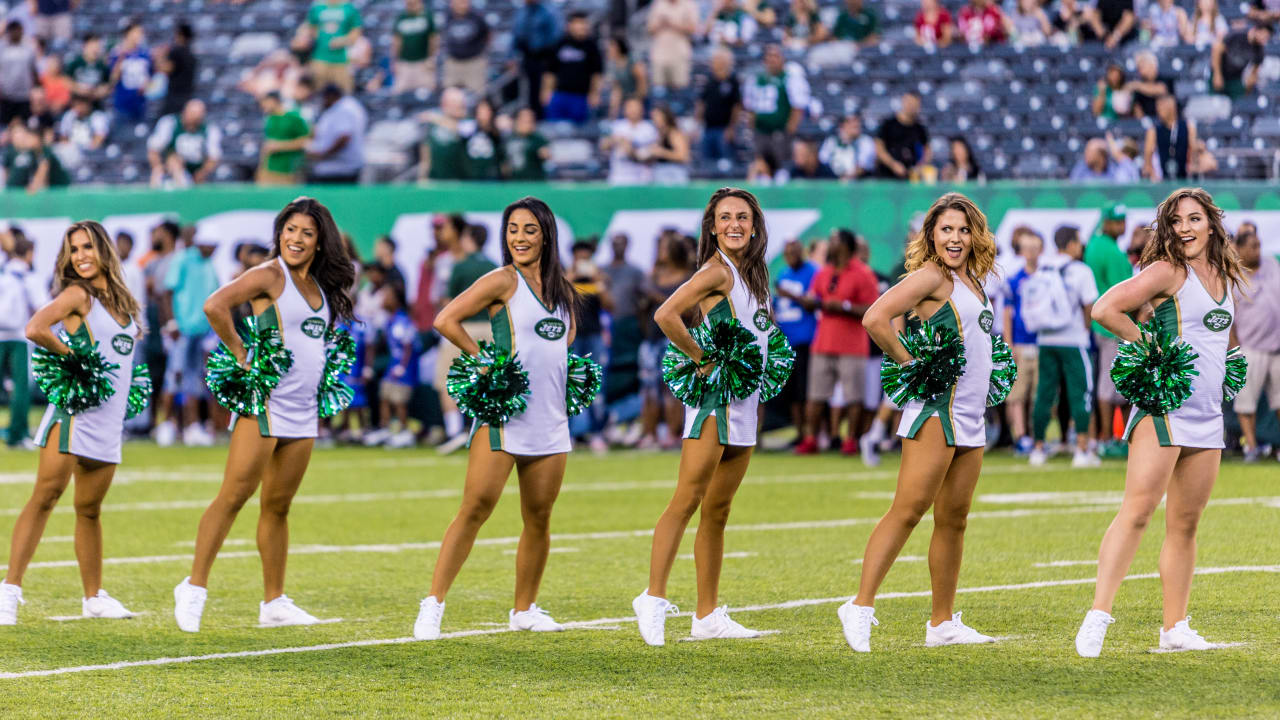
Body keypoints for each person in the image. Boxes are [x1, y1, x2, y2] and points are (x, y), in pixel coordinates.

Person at [173, 197, 357, 633]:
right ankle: (193, 587)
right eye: (290, 230)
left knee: (278, 506)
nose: (296, 239)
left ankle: (273, 601)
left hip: (304, 408)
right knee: (235, 494)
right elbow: (215, 305)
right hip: (266, 403)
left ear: (319, 243)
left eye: (307, 234)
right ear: (279, 234)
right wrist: (240, 353)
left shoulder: (321, 288)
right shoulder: (269, 274)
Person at [1075, 188, 1245, 657]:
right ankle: (1098, 616)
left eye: (1194, 219)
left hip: (1208, 417)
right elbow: (1105, 308)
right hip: (1164, 410)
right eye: (1176, 221)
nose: (1185, 228)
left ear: (1211, 224)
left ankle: (1175, 627)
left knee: (1185, 525)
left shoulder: (1225, 274)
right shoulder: (1169, 270)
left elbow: (1218, 339)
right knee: (1138, 511)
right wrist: (1147, 343)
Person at [412, 197, 580, 640]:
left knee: (539, 518)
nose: (519, 238)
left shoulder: (562, 288)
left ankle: (524, 609)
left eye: (529, 229)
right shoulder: (502, 280)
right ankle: (433, 605)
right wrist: (481, 359)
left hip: (551, 420)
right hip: (504, 414)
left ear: (546, 234)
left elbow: (564, 343)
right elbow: (446, 319)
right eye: (513, 229)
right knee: (475, 508)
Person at [837, 193, 999, 652]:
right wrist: (910, 363)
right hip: (936, 412)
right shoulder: (931, 276)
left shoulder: (972, 279)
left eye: (963, 230)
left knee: (954, 519)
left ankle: (942, 622)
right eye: (946, 229)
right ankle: (860, 605)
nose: (956, 238)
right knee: (908, 511)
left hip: (969, 414)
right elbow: (876, 318)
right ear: (931, 234)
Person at [632, 188, 775, 645]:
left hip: (744, 405)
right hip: (715, 400)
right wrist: (701, 358)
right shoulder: (715, 270)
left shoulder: (752, 275)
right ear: (712, 226)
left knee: (718, 510)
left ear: (754, 226)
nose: (734, 224)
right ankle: (652, 599)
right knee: (688, 498)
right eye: (725, 217)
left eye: (743, 217)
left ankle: (707, 614)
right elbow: (666, 314)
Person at [0, 221, 144, 626]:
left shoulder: (123, 303)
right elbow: (35, 328)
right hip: (73, 417)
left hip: (108, 421)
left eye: (87, 247)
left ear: (104, 251)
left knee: (90, 510)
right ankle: (8, 591)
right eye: (73, 249)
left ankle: (94, 596)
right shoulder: (78, 294)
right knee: (45, 498)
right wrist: (73, 357)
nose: (80, 256)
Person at [795, 229, 876, 455]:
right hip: (823, 342)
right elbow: (813, 296)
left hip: (852, 345)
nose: (830, 244)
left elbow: (872, 309)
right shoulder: (824, 272)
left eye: (834, 240)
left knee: (853, 397)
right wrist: (809, 302)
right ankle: (811, 439)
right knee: (816, 395)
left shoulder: (863, 273)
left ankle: (851, 440)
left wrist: (844, 307)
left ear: (846, 246)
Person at [1028, 225, 1100, 467]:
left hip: (1045, 339)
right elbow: (1090, 305)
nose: (1080, 247)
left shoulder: (1044, 267)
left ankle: (1037, 448)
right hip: (1073, 340)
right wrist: (1086, 328)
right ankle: (1081, 449)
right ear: (1070, 244)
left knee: (1044, 394)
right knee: (1081, 391)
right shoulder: (1080, 270)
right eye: (1078, 242)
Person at [154, 234, 220, 448]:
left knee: (194, 379)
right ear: (203, 243)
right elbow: (166, 292)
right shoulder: (183, 259)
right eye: (211, 246)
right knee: (175, 375)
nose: (213, 251)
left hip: (201, 332)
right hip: (180, 330)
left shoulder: (210, 265)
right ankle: (166, 425)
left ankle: (191, 427)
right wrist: (171, 323)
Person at [636, 232, 696, 450]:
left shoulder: (690, 277)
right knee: (649, 390)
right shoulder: (654, 275)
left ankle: (673, 433)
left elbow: (691, 312)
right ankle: (649, 434)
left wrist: (660, 301)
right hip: (651, 341)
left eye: (665, 247)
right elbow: (642, 307)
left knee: (673, 389)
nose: (660, 251)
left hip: (675, 341)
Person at [1084, 204, 1134, 458]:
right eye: (1116, 222)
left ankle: (1113, 437)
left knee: (1113, 381)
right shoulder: (1110, 251)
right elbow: (1123, 292)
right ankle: (1107, 437)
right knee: (1110, 383)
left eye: (1123, 221)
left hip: (1102, 324)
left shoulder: (1095, 245)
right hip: (1112, 325)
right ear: (1106, 222)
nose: (1121, 227)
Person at [1231, 228, 1280, 462]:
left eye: (1259, 245)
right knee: (1246, 402)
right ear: (1239, 249)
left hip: (1277, 348)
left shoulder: (1271, 264)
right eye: (1252, 246)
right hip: (1250, 348)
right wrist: (1235, 351)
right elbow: (1228, 320)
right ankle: (1251, 447)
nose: (1257, 251)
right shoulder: (1233, 277)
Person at [1002, 227, 1042, 456]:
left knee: (1038, 395)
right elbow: (1007, 314)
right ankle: (1021, 437)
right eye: (1027, 248)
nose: (1031, 252)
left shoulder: (1047, 277)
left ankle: (1036, 436)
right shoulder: (1014, 280)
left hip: (1041, 342)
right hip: (1021, 342)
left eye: (1035, 248)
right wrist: (1009, 343)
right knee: (1017, 394)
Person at [0, 235, 43, 449]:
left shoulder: (3, 273)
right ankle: (18, 434)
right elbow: (41, 307)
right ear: (29, 253)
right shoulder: (27, 277)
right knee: (21, 387)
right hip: (19, 337)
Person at [773, 239, 818, 442]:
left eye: (795, 251)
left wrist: (789, 295)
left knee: (806, 392)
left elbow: (813, 304)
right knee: (791, 393)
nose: (791, 256)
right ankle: (800, 434)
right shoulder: (783, 274)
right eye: (787, 252)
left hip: (805, 341)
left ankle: (811, 434)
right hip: (786, 342)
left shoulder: (813, 272)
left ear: (802, 252)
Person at [567, 237, 610, 452]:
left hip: (593, 336)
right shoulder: (566, 279)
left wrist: (598, 282)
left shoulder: (597, 279)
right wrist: (570, 278)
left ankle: (597, 433)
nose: (583, 260)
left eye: (587, 257)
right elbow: (558, 303)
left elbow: (611, 307)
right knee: (572, 385)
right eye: (579, 256)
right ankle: (572, 434)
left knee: (596, 387)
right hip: (572, 337)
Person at [743, 44, 808, 170]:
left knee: (781, 166)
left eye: (775, 56)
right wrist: (752, 127)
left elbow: (797, 108)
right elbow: (749, 108)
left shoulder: (789, 78)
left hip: (780, 132)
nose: (772, 59)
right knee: (760, 165)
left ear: (782, 59)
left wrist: (788, 131)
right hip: (760, 131)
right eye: (769, 56)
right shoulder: (756, 79)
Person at [541, 12, 603, 126]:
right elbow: (550, 72)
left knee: (579, 131)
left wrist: (594, 93)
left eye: (584, 23)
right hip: (560, 94)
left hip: (581, 96)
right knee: (555, 128)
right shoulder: (559, 44)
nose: (581, 26)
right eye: (578, 23)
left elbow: (596, 73)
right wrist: (546, 92)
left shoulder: (591, 46)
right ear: (569, 25)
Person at [147, 99, 222, 188]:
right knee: (172, 161)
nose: (195, 117)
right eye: (192, 113)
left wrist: (202, 173)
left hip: (198, 170)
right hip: (171, 168)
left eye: (198, 114)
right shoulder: (170, 123)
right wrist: (158, 166)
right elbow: (153, 149)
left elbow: (214, 157)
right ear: (185, 111)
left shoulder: (210, 129)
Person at [306, 84, 367, 184]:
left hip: (339, 169)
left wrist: (323, 154)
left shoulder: (343, 108)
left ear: (331, 96)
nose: (323, 102)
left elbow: (344, 137)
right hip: (339, 167)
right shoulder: (348, 105)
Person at [512, 0, 560, 117]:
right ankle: (532, 116)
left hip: (545, 57)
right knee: (530, 91)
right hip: (528, 57)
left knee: (545, 90)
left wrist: (548, 53)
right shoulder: (522, 12)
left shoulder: (548, 11)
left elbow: (555, 35)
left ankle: (544, 116)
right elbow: (516, 36)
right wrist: (512, 55)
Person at [301, 0, 362, 94]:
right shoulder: (318, 7)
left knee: (344, 93)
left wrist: (343, 40)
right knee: (318, 92)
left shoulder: (349, 8)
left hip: (341, 59)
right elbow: (309, 27)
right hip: (320, 57)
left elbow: (356, 32)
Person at [696, 47, 741, 164]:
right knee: (706, 163)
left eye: (718, 60)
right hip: (707, 128)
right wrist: (698, 124)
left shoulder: (732, 81)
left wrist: (731, 128)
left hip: (723, 129)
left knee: (725, 164)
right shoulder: (709, 80)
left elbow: (737, 106)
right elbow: (701, 103)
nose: (714, 63)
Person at [602, 95, 658, 185]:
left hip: (642, 178)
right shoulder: (617, 126)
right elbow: (603, 146)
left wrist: (631, 149)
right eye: (630, 107)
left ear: (642, 109)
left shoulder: (649, 128)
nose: (633, 110)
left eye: (636, 107)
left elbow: (653, 154)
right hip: (619, 178)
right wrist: (614, 140)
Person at [258, 91, 311, 185]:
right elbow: (268, 145)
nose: (263, 105)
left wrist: (280, 146)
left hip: (289, 169)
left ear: (273, 101)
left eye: (265, 102)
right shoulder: (270, 118)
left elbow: (305, 141)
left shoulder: (293, 117)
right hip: (269, 170)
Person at [875, 92, 931, 180]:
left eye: (914, 104)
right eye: (909, 103)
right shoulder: (889, 124)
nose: (911, 106)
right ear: (903, 102)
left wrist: (921, 166)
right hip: (887, 175)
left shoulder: (919, 128)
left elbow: (927, 150)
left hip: (909, 176)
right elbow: (879, 148)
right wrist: (893, 164)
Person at [417, 86, 468, 181]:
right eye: (449, 101)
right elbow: (426, 151)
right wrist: (423, 177)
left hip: (459, 180)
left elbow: (461, 130)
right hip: (435, 179)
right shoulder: (432, 125)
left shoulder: (468, 121)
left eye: (455, 102)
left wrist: (434, 118)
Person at [441, 0, 490, 96]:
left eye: (463, 2)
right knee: (449, 93)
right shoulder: (448, 17)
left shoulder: (477, 17)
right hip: (453, 62)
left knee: (477, 95)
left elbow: (487, 35)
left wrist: (480, 51)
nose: (461, 5)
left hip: (473, 62)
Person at [4, 121, 70, 192]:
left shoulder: (45, 150)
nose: (26, 141)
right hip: (52, 189)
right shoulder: (31, 154)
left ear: (37, 139)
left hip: (63, 187)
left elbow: (43, 169)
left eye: (29, 137)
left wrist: (33, 187)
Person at [108, 21, 152, 124]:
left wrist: (146, 85)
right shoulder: (117, 53)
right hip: (123, 104)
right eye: (137, 32)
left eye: (141, 32)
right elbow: (113, 79)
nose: (140, 35)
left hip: (141, 104)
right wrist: (121, 56)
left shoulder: (144, 54)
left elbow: (149, 76)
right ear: (128, 33)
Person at [647, 0, 698, 89]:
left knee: (679, 91)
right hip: (660, 55)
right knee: (659, 92)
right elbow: (650, 29)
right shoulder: (658, 4)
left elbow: (693, 29)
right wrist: (661, 23)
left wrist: (672, 23)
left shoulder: (688, 4)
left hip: (679, 55)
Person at [1212, 23, 1271, 99]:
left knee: (1238, 103)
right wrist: (1217, 74)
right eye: (1264, 35)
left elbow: (1254, 72)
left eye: (1267, 38)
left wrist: (1249, 86)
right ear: (1256, 30)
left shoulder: (1259, 50)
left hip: (1235, 78)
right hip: (1221, 72)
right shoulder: (1237, 35)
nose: (1264, 39)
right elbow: (1217, 50)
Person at [392, 0, 437, 95]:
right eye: (409, 3)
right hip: (405, 63)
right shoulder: (401, 17)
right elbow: (396, 41)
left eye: (413, 3)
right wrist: (395, 60)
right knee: (397, 93)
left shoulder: (426, 16)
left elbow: (433, 39)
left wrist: (431, 58)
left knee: (429, 92)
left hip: (423, 62)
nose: (411, 5)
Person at [0, 21, 38, 125]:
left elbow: (33, 70)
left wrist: (34, 88)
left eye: (18, 30)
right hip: (6, 95)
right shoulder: (2, 48)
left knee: (25, 124)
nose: (16, 33)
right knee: (4, 125)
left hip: (24, 95)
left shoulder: (29, 49)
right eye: (13, 31)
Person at [158, 22, 197, 118]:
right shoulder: (191, 53)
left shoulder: (176, 51)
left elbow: (165, 69)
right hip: (187, 96)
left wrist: (160, 56)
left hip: (175, 97)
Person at [820, 114, 877, 181]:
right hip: (834, 180)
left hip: (860, 182)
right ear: (842, 126)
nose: (856, 124)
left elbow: (862, 167)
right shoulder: (831, 141)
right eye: (851, 121)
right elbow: (823, 161)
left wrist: (846, 178)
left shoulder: (866, 141)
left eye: (857, 121)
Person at [604, 36, 646, 121]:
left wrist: (639, 99)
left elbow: (642, 80)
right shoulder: (614, 65)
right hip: (625, 101)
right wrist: (613, 110)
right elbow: (617, 89)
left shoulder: (632, 59)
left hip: (639, 98)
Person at [648, 105, 691, 185]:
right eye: (653, 117)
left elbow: (683, 156)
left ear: (665, 117)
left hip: (674, 175)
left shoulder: (674, 133)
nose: (655, 119)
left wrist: (662, 152)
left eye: (657, 116)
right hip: (660, 174)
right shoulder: (658, 134)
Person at [503, 106, 550, 180]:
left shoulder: (538, 139)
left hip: (533, 182)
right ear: (517, 120)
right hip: (513, 183)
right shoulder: (508, 139)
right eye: (524, 120)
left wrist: (544, 154)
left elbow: (546, 154)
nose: (528, 123)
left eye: (530, 120)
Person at [67, 34, 112, 109]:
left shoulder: (101, 65)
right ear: (85, 46)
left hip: (95, 105)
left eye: (97, 46)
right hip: (78, 105)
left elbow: (107, 85)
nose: (95, 49)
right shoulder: (76, 63)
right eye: (92, 46)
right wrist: (78, 89)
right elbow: (66, 80)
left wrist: (100, 91)